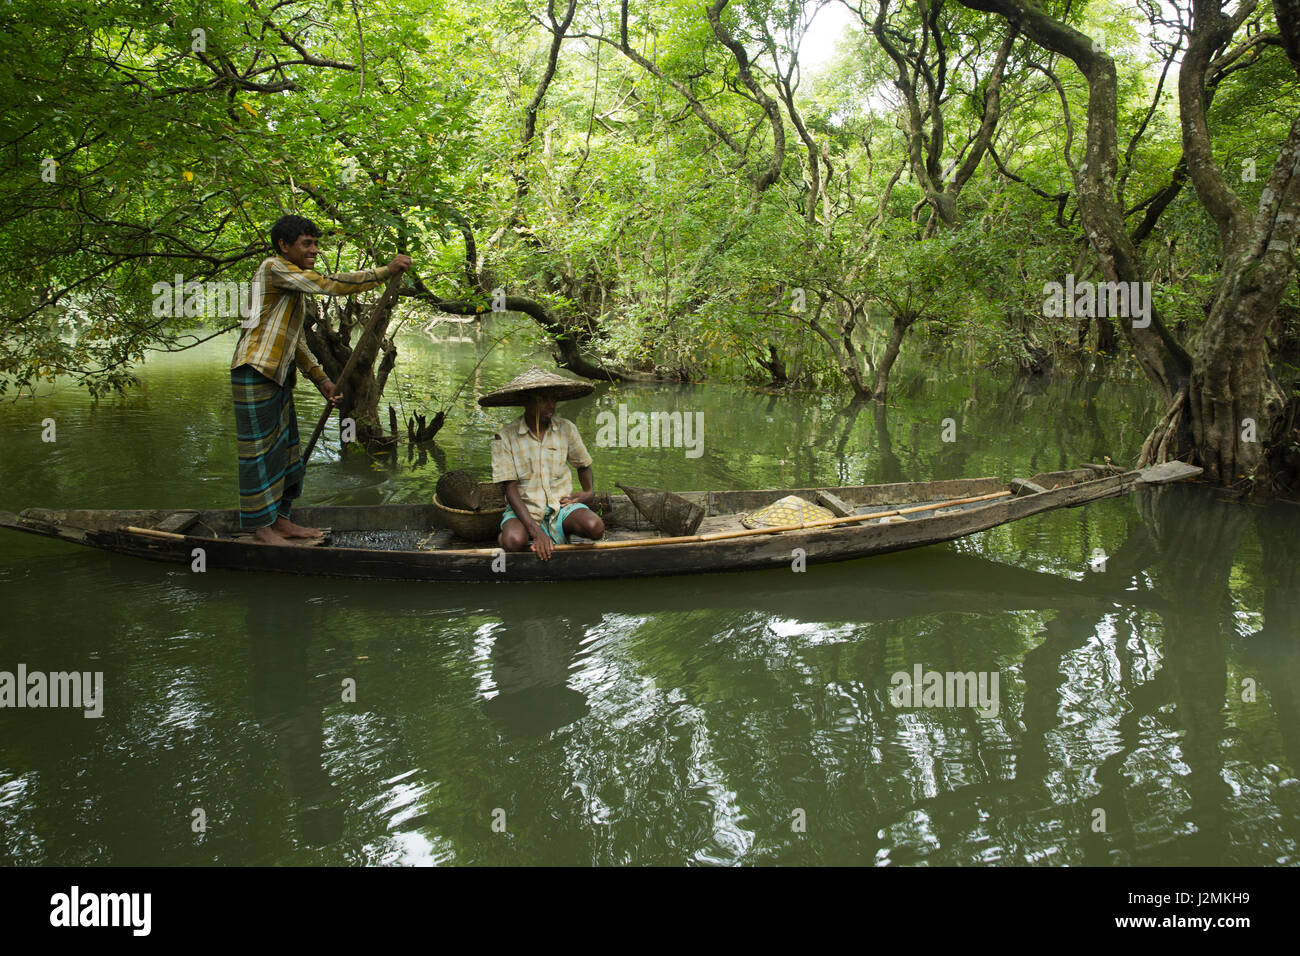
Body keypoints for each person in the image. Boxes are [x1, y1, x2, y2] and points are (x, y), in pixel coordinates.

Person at [231, 214, 411, 545]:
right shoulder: (274, 268)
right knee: (260, 453)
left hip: (277, 376)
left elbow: (294, 341)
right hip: (254, 372)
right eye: (306, 243)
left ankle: (281, 520)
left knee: (286, 451)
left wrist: (320, 379)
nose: (314, 249)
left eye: (315, 243)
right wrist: (384, 272)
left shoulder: (290, 286)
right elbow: (327, 284)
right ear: (284, 246)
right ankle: (261, 528)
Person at [480, 366, 605, 560]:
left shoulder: (566, 429)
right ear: (526, 401)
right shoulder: (505, 437)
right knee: (513, 541)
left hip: (561, 506)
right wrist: (536, 531)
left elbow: (583, 464)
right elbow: (510, 488)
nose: (551, 405)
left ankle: (561, 529)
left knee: (595, 527)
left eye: (553, 399)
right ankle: (506, 536)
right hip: (525, 508)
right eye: (543, 399)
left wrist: (589, 492)